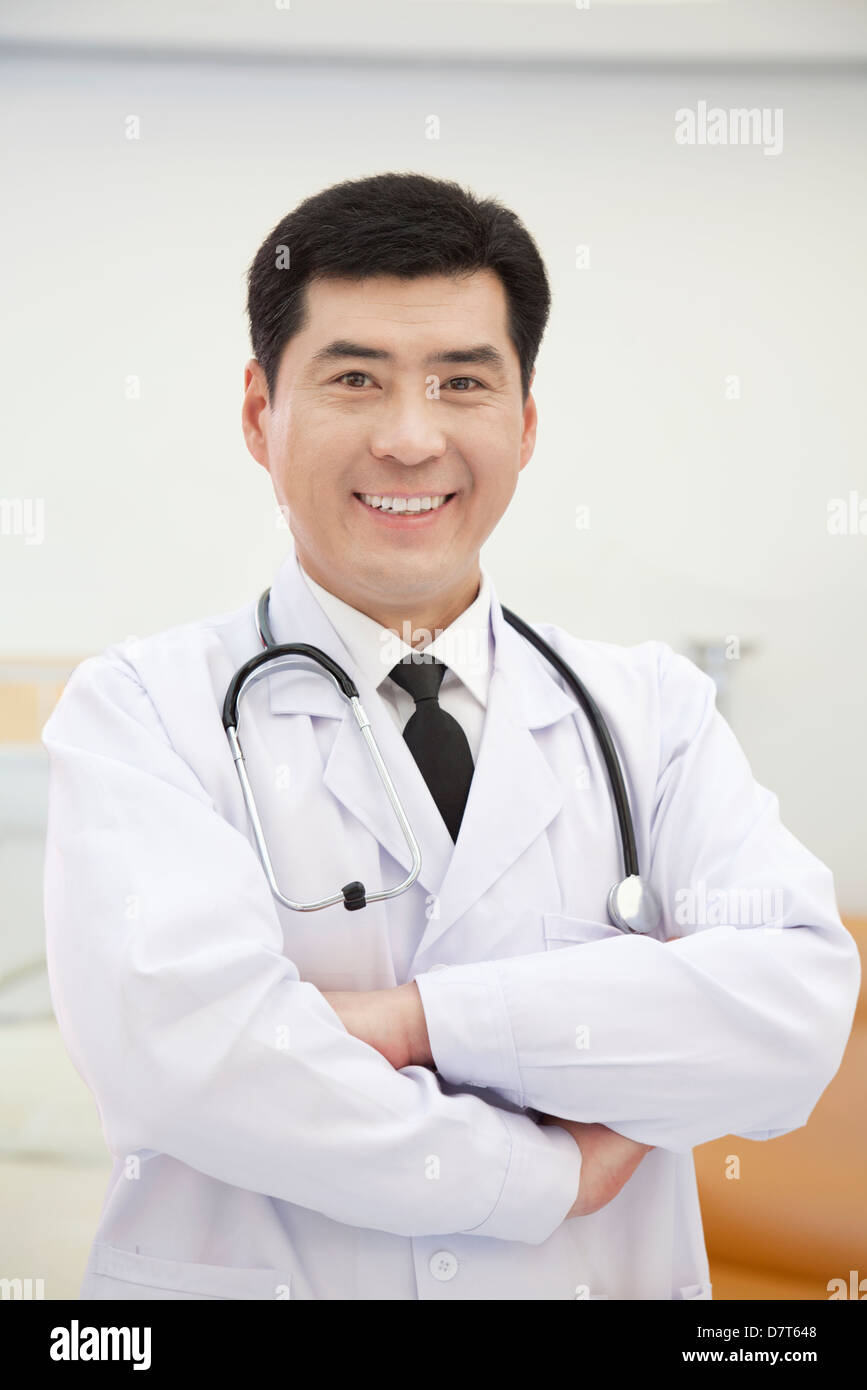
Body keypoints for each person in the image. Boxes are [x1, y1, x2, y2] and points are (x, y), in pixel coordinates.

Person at [42, 171, 860, 1301]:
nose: (412, 438)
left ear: (524, 424)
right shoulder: (142, 711)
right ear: (257, 413)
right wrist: (553, 1174)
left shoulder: (653, 715)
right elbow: (198, 1064)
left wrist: (416, 1022)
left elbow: (791, 1018)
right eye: (355, 379)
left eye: (462, 382)